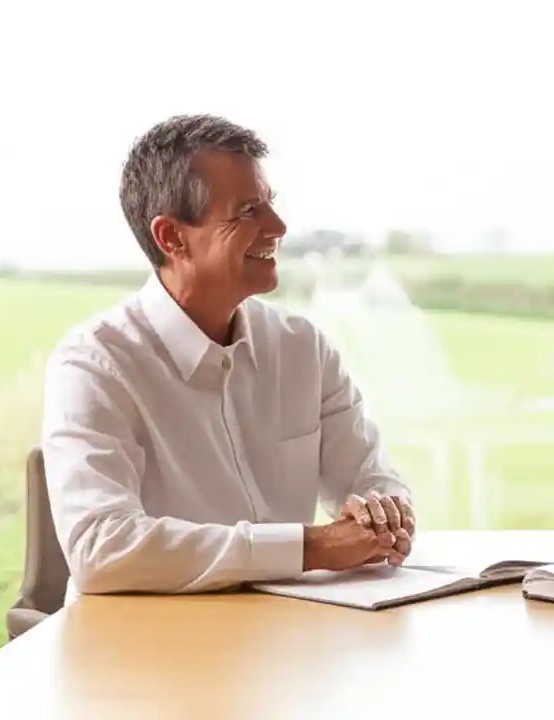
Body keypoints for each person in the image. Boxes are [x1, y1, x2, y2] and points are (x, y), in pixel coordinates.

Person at [42, 115, 413, 603]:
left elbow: (371, 479)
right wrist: (310, 547)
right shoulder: (93, 365)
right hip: (144, 655)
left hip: (287, 641)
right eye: (247, 210)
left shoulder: (303, 347)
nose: (278, 227)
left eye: (270, 204)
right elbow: (100, 547)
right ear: (172, 238)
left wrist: (383, 516)